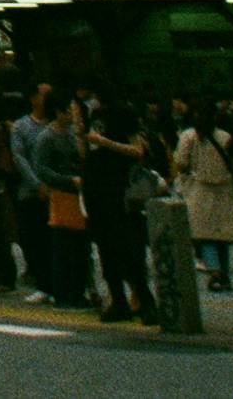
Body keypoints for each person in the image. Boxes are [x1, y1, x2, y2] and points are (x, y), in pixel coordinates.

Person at [82, 93, 156, 322]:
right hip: (97, 187)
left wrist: (105, 143)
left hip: (121, 189)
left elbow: (138, 151)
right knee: (105, 247)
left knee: (128, 249)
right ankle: (118, 300)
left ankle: (145, 301)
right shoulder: (90, 117)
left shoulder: (122, 114)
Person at [173, 100, 233, 293]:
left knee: (203, 235)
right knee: (222, 235)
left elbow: (181, 162)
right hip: (225, 189)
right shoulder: (225, 136)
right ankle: (225, 274)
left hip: (199, 189)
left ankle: (214, 271)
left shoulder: (188, 136)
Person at [37, 96, 92, 309]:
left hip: (79, 195)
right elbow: (42, 169)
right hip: (61, 195)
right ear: (59, 111)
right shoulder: (47, 137)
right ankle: (62, 293)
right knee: (63, 248)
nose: (73, 115)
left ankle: (78, 291)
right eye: (70, 111)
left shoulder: (75, 134)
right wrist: (69, 180)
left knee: (80, 247)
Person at [10, 83, 55, 303]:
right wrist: (37, 184)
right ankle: (43, 283)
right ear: (34, 98)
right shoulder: (21, 126)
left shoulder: (58, 124)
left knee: (56, 240)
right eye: (45, 95)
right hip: (29, 192)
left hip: (57, 192)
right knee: (33, 239)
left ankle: (60, 284)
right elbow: (19, 158)